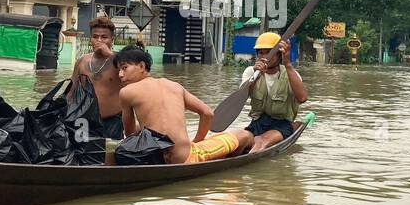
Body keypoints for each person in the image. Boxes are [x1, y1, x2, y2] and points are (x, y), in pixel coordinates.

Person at [116, 46, 251, 164]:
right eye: (119, 70)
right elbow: (208, 113)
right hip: (185, 158)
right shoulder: (174, 86)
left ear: (141, 66)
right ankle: (223, 161)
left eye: (124, 68)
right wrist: (197, 142)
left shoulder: (126, 92)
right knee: (245, 135)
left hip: (153, 158)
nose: (120, 75)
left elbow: (129, 134)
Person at [240, 32, 308, 153]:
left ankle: (250, 156)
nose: (265, 56)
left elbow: (302, 98)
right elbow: (241, 98)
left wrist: (288, 64)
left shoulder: (290, 74)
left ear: (279, 54)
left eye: (269, 52)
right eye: (261, 52)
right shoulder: (251, 72)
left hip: (282, 124)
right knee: (240, 138)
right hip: (257, 123)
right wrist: (255, 76)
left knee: (260, 140)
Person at [73, 16, 125, 139]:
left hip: (112, 121)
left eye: (104, 37)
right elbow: (72, 91)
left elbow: (138, 84)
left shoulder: (121, 61)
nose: (99, 40)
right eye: (95, 37)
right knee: (81, 155)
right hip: (83, 120)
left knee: (106, 156)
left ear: (112, 40)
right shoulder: (82, 61)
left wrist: (109, 54)